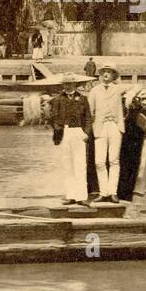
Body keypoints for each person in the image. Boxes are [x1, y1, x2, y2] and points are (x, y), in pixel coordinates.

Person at [48, 76, 92, 204]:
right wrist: (58, 128)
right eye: (66, 84)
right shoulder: (58, 99)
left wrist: (86, 133)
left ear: (75, 84)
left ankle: (82, 197)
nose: (68, 86)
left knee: (80, 165)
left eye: (70, 84)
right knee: (68, 165)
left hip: (79, 132)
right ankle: (71, 195)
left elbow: (88, 117)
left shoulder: (83, 99)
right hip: (65, 132)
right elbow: (53, 116)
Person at [87, 65, 126, 202]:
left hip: (115, 126)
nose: (106, 75)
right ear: (100, 74)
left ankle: (113, 192)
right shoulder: (94, 91)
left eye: (109, 72)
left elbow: (136, 86)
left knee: (114, 160)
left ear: (114, 75)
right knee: (99, 161)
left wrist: (131, 96)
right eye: (104, 72)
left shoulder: (118, 89)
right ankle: (103, 192)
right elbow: (89, 112)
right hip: (100, 127)